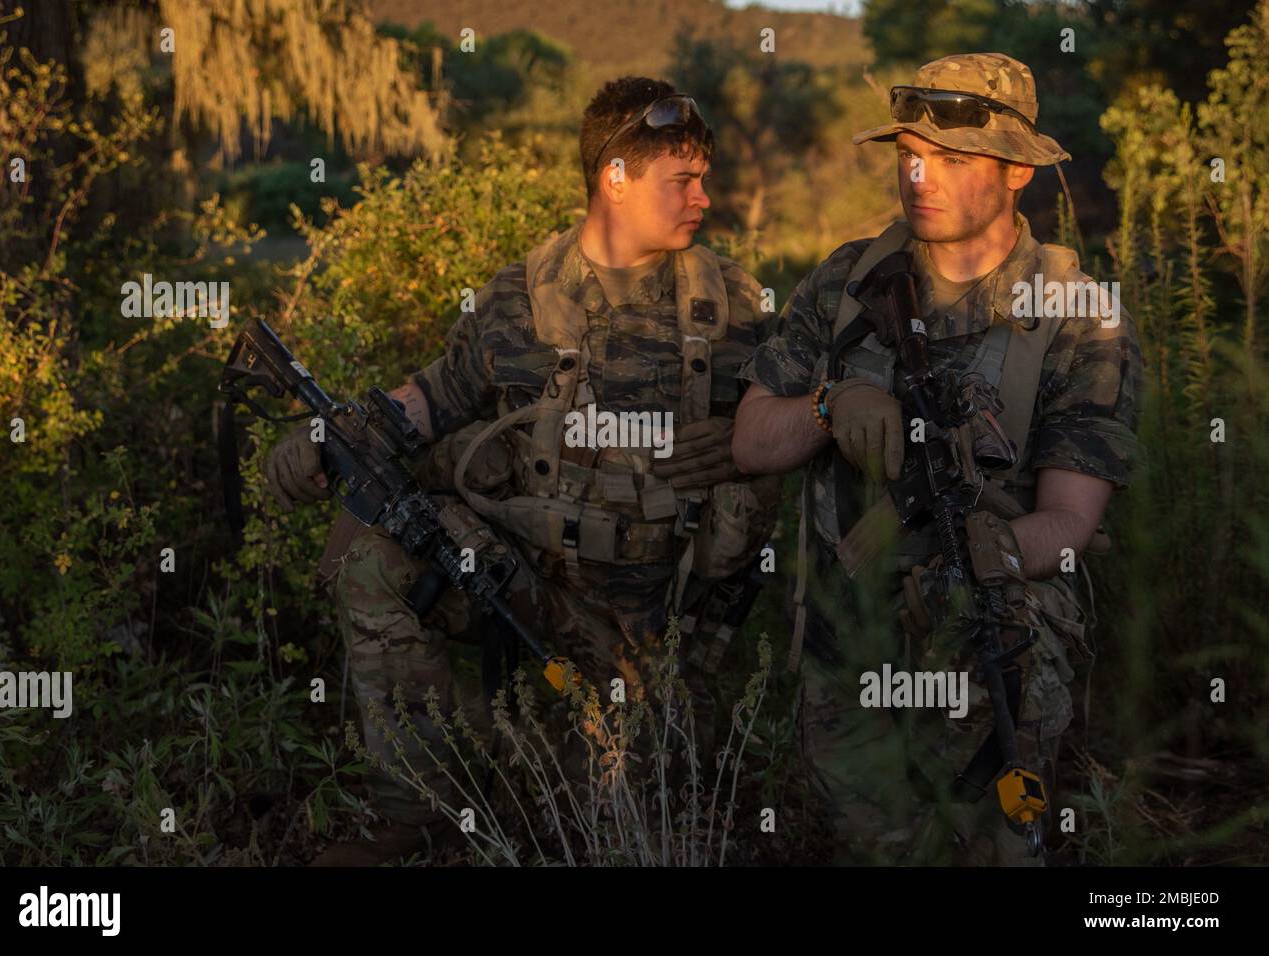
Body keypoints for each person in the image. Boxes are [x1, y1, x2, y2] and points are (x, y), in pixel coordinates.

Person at [265, 76, 781, 864]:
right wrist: (328, 435)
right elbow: (432, 397)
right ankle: (419, 798)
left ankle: (536, 747)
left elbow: (799, 418)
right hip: (529, 594)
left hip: (657, 639)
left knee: (606, 833)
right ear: (615, 177)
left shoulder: (735, 303)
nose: (703, 198)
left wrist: (749, 435)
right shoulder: (520, 297)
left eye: (702, 179)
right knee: (375, 555)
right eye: (683, 180)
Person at [732, 52, 1142, 865]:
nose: (920, 176)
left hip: (990, 647)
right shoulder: (847, 282)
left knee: (989, 844)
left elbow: (1069, 519)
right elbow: (750, 440)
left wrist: (984, 555)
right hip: (851, 646)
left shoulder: (1076, 315)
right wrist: (829, 404)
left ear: (1019, 170)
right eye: (908, 156)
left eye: (952, 159)